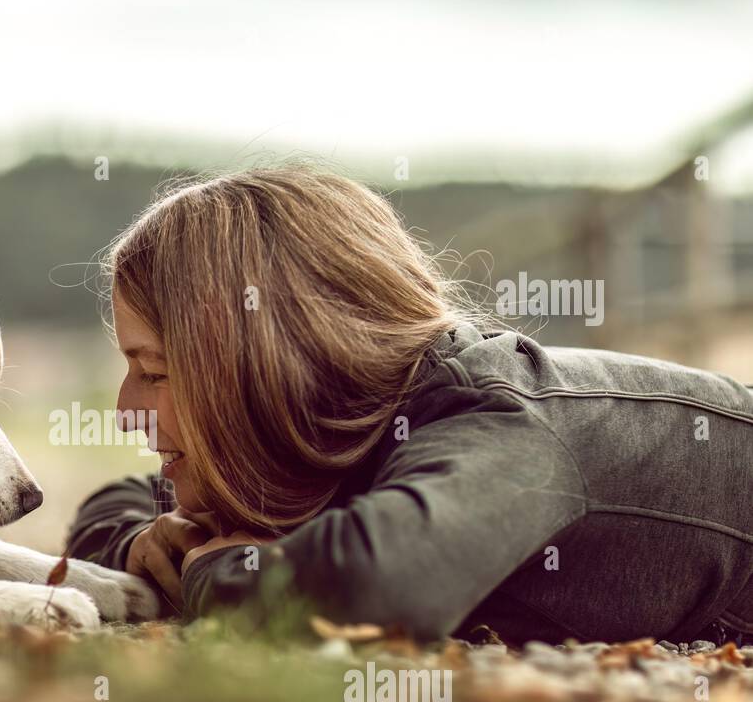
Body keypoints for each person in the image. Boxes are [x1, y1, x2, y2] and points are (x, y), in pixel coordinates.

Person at [65, 164, 753, 645]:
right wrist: (148, 544)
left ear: (273, 363)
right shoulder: (340, 434)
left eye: (152, 372)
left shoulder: (500, 423)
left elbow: (379, 590)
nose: (127, 411)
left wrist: (210, 572)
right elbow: (114, 505)